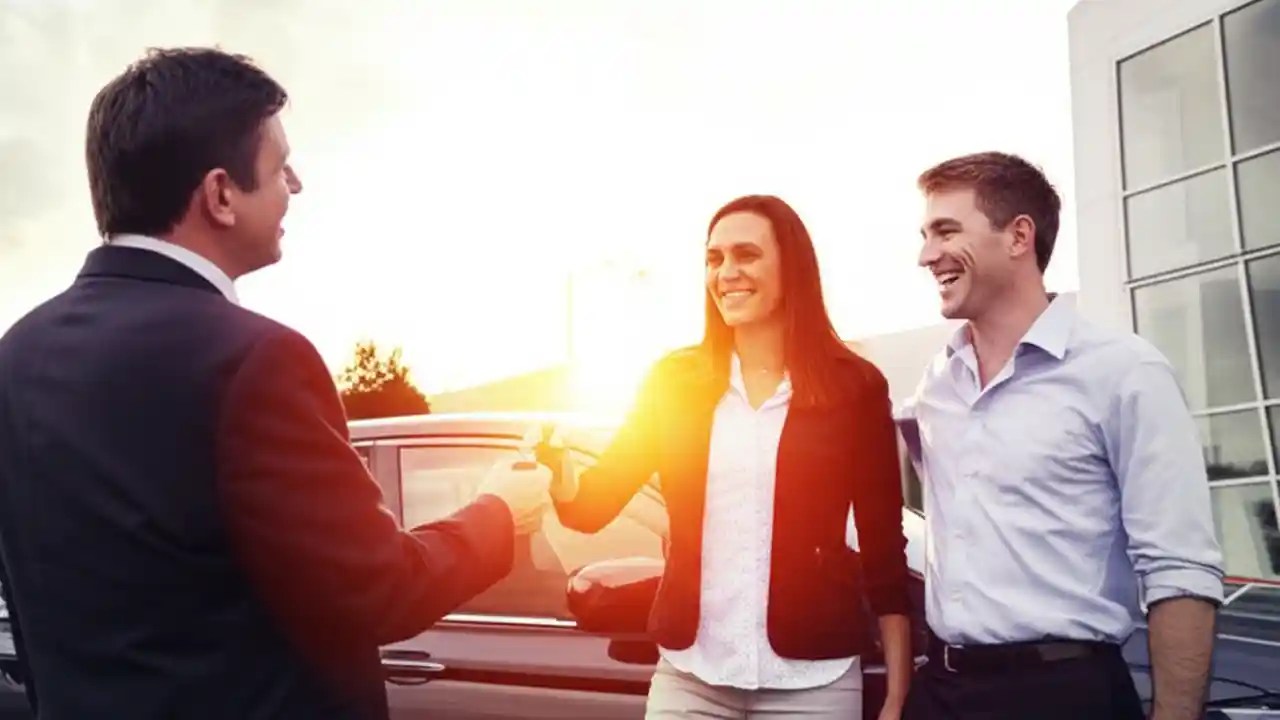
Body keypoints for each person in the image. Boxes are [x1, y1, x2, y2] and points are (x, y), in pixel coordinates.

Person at [0, 47, 547, 720]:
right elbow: (379, 590)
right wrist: (501, 511)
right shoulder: (255, 359)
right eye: (281, 165)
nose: (297, 184)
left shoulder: (16, 354)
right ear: (221, 195)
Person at [513, 194, 914, 718]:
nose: (727, 272)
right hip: (690, 678)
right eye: (714, 258)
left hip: (813, 681)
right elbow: (590, 509)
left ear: (791, 266)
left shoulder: (855, 388)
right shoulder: (672, 383)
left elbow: (884, 551)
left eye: (746, 255)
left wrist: (898, 698)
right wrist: (556, 464)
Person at [899, 151, 1224, 720]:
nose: (927, 254)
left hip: (1064, 696)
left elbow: (1180, 568)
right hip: (942, 693)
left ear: (1019, 235)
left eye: (946, 231)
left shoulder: (1124, 373)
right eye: (925, 234)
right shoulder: (936, 385)